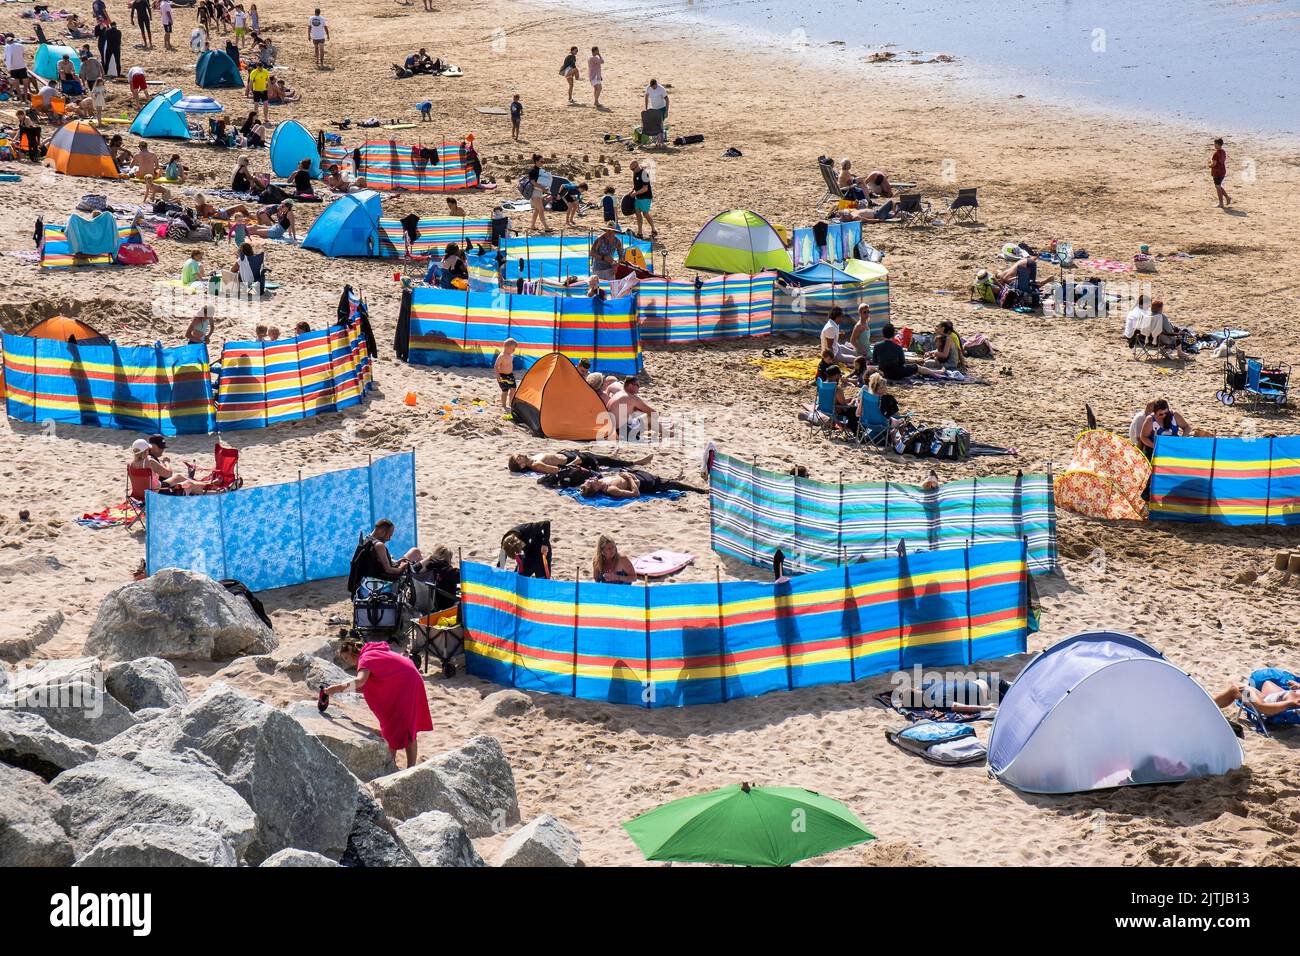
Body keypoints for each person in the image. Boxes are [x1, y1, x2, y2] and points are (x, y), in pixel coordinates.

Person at [324, 639, 432, 769]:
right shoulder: (372, 652)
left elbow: (360, 681)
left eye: (346, 657)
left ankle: (405, 767)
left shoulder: (365, 658)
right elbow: (368, 685)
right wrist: (339, 691)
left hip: (406, 682)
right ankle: (393, 763)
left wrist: (335, 688)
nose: (347, 661)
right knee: (398, 724)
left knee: (402, 725)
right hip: (407, 678)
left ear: (353, 653)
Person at [605, 376, 671, 440]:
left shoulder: (618, 394)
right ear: (630, 386)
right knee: (649, 418)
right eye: (637, 386)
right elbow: (653, 413)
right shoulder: (632, 398)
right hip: (622, 433)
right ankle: (669, 433)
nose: (639, 388)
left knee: (639, 418)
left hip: (610, 430)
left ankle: (663, 429)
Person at [871, 322, 942, 381]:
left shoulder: (877, 346)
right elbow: (902, 362)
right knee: (916, 367)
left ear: (883, 334)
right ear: (893, 334)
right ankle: (936, 372)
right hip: (897, 373)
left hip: (883, 373)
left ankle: (935, 372)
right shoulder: (898, 347)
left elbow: (875, 361)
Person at [1213, 673, 1300, 720]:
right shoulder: (1294, 699)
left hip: (1263, 702)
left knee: (1235, 689)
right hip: (1278, 696)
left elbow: (1263, 708)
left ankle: (1210, 705)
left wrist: (1250, 692)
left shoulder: (1292, 702)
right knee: (1267, 683)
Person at [579, 469, 706, 500]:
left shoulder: (600, 480)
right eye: (589, 481)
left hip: (636, 474)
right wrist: (629, 478)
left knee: (664, 480)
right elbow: (636, 494)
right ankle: (700, 491)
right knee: (674, 485)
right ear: (595, 488)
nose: (590, 478)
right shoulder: (611, 489)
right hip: (645, 484)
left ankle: (673, 479)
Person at [508, 449, 650, 475]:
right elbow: (557, 470)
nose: (520, 454)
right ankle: (635, 462)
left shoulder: (532, 459)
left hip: (568, 455)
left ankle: (616, 460)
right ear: (521, 465)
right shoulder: (536, 465)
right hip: (574, 460)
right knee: (599, 462)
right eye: (518, 457)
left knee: (601, 459)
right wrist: (574, 462)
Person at [629, 159, 655, 240]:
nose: (632, 171)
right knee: (637, 213)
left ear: (637, 166)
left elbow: (645, 188)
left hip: (646, 197)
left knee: (645, 214)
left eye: (633, 169)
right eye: (631, 170)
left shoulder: (644, 174)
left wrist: (635, 193)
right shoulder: (635, 173)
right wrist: (632, 191)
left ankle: (654, 229)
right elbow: (637, 185)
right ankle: (640, 232)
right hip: (638, 197)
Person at [494, 338, 517, 411]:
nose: (514, 350)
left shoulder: (510, 355)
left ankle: (510, 403)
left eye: (514, 349)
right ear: (507, 347)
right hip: (502, 375)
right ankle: (504, 404)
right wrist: (498, 375)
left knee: (513, 389)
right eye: (512, 349)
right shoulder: (502, 356)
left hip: (510, 375)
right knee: (505, 391)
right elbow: (496, 365)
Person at [527, 154, 549, 231]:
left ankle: (532, 226)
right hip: (534, 192)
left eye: (544, 161)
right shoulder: (532, 170)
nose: (543, 163)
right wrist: (543, 188)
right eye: (541, 161)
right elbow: (533, 182)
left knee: (537, 209)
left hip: (538, 191)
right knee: (541, 209)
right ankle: (546, 227)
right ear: (536, 161)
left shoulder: (540, 171)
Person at [644, 78, 668, 144]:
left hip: (662, 108)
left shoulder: (661, 89)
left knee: (660, 124)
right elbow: (646, 97)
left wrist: (666, 111)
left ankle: (661, 141)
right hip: (654, 108)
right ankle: (657, 140)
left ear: (656, 84)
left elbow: (667, 100)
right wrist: (646, 108)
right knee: (655, 124)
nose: (653, 88)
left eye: (654, 87)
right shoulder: (648, 88)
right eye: (652, 87)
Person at [1210, 137, 1231, 208]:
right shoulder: (1223, 152)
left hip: (1217, 172)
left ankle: (1221, 203)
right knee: (1218, 186)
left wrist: (1209, 165)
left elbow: (1214, 164)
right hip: (1222, 171)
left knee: (1218, 187)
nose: (1214, 145)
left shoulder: (1216, 154)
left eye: (1215, 144)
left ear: (1218, 144)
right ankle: (1227, 198)